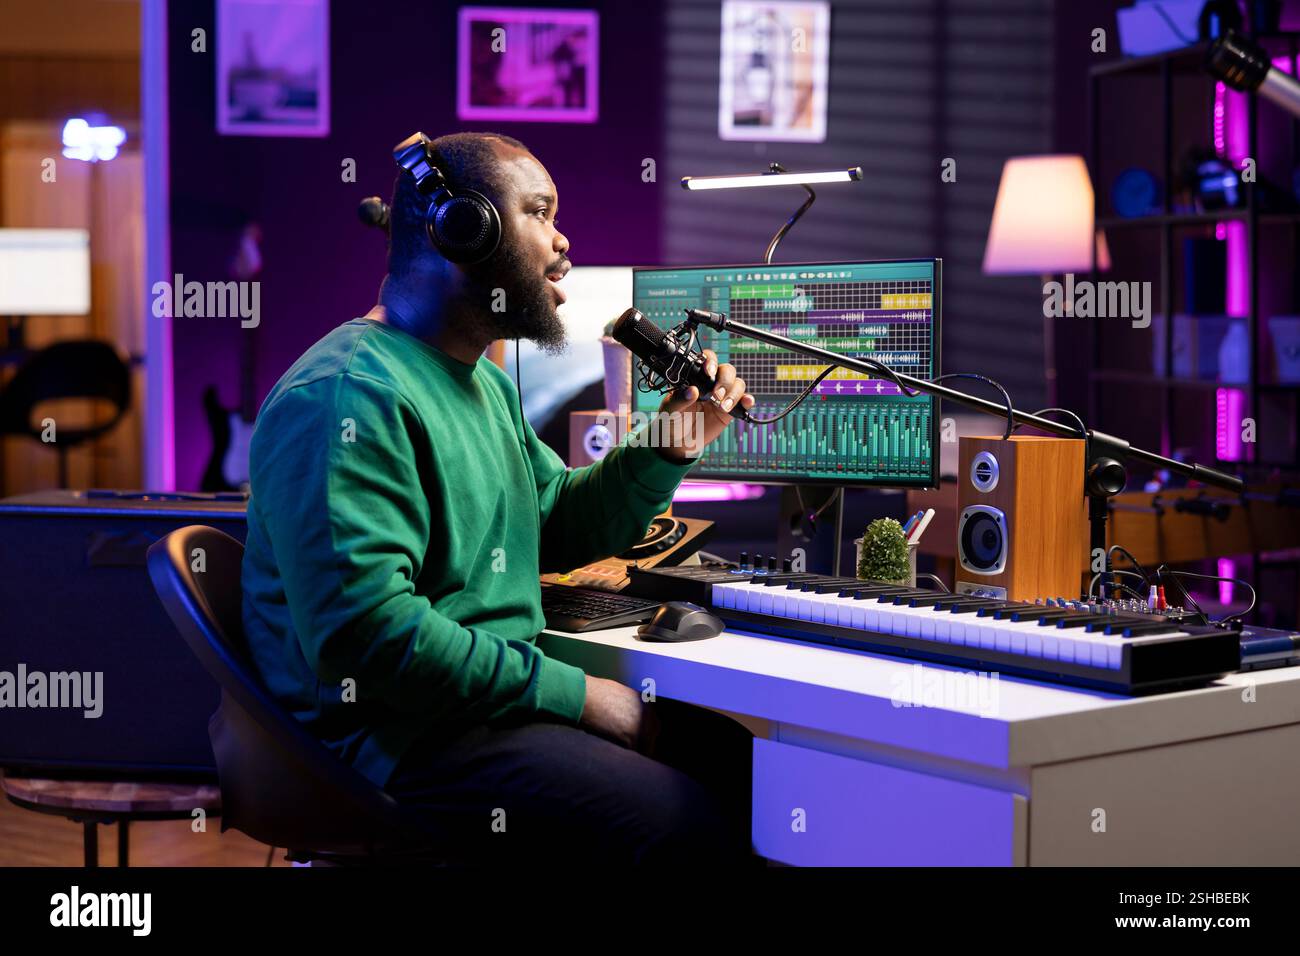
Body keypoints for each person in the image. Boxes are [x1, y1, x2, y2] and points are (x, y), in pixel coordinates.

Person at [241, 131, 758, 865]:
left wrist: (671, 438)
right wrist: (579, 696)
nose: (562, 238)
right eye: (540, 212)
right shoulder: (345, 395)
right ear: (463, 230)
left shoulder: (478, 380)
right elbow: (368, 639)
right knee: (687, 826)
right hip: (397, 744)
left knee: (745, 766)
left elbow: (553, 522)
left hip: (473, 712)